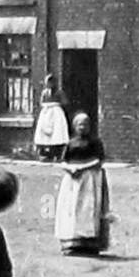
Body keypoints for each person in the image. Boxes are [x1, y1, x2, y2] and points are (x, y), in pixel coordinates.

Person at [53, 112, 111, 255]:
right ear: (75, 126)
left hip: (90, 180)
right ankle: (72, 242)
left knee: (87, 208)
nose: (82, 127)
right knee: (71, 209)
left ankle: (90, 243)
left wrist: (82, 168)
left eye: (85, 124)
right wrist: (70, 168)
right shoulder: (70, 143)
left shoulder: (95, 142)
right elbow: (63, 161)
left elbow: (98, 160)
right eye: (79, 124)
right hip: (73, 180)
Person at [33, 73, 70, 160]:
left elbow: (65, 102)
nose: (50, 84)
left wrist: (57, 104)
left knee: (57, 133)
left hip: (56, 114)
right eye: (48, 82)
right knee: (43, 134)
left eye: (52, 82)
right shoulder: (44, 93)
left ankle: (57, 153)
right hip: (46, 114)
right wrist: (45, 106)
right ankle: (45, 153)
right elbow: (41, 102)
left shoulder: (59, 92)